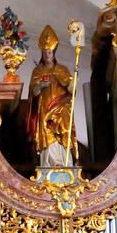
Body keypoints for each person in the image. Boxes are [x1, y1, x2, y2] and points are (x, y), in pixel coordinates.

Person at [27, 25, 77, 166]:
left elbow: (70, 89)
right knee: (47, 134)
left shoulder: (61, 69)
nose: (47, 55)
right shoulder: (37, 71)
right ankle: (48, 163)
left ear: (53, 53)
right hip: (44, 109)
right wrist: (40, 85)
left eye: (49, 52)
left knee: (61, 134)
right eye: (45, 53)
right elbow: (33, 93)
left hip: (61, 108)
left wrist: (73, 81)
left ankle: (64, 163)